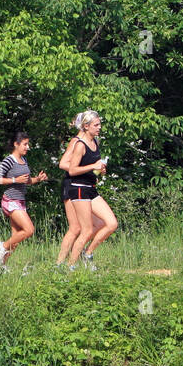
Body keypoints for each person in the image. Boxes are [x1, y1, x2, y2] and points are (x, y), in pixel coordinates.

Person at [58, 110, 118, 271]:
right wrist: (92, 167)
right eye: (96, 125)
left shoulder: (95, 141)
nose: (99, 127)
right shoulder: (78, 144)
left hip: (91, 188)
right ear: (86, 126)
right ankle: (68, 268)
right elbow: (71, 170)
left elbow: (91, 165)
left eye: (99, 124)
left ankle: (88, 253)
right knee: (83, 230)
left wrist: (99, 170)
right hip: (78, 189)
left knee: (111, 223)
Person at [0, 132, 47, 271]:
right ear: (16, 144)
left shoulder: (24, 160)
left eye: (28, 144)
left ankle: (0, 267)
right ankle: (1, 246)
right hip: (10, 200)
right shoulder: (9, 160)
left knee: (15, 239)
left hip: (21, 201)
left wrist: (38, 179)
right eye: (25, 144)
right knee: (28, 230)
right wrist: (14, 180)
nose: (28, 147)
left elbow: (26, 181)